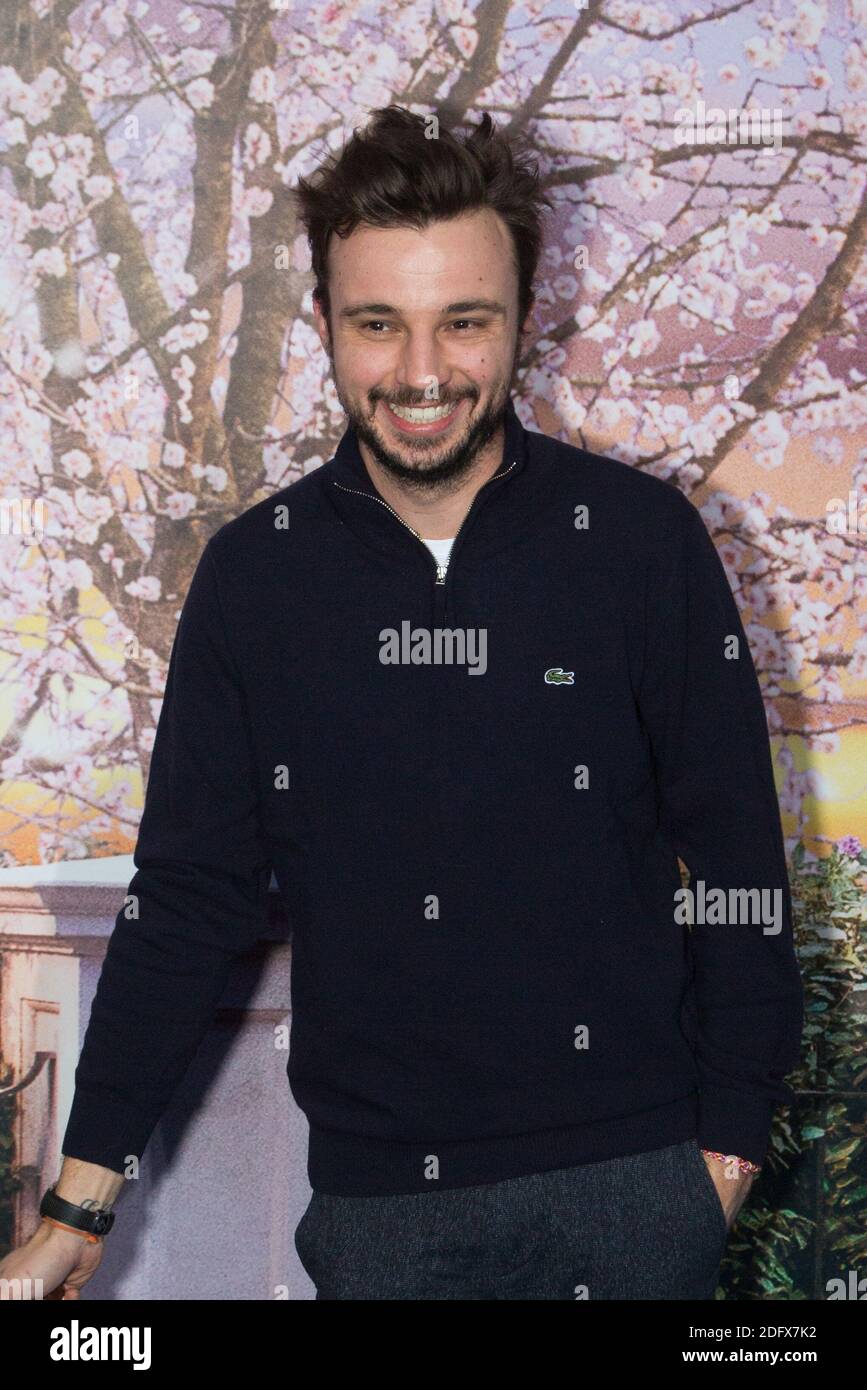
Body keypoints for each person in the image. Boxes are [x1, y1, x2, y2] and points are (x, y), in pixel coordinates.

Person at [0, 106, 803, 1301]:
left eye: (464, 322)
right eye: (379, 324)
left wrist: (722, 1156)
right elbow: (186, 904)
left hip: (638, 1199)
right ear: (324, 323)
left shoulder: (642, 545)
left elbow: (738, 862)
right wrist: (77, 1201)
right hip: (380, 1219)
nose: (423, 374)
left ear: (523, 316)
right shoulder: (255, 577)